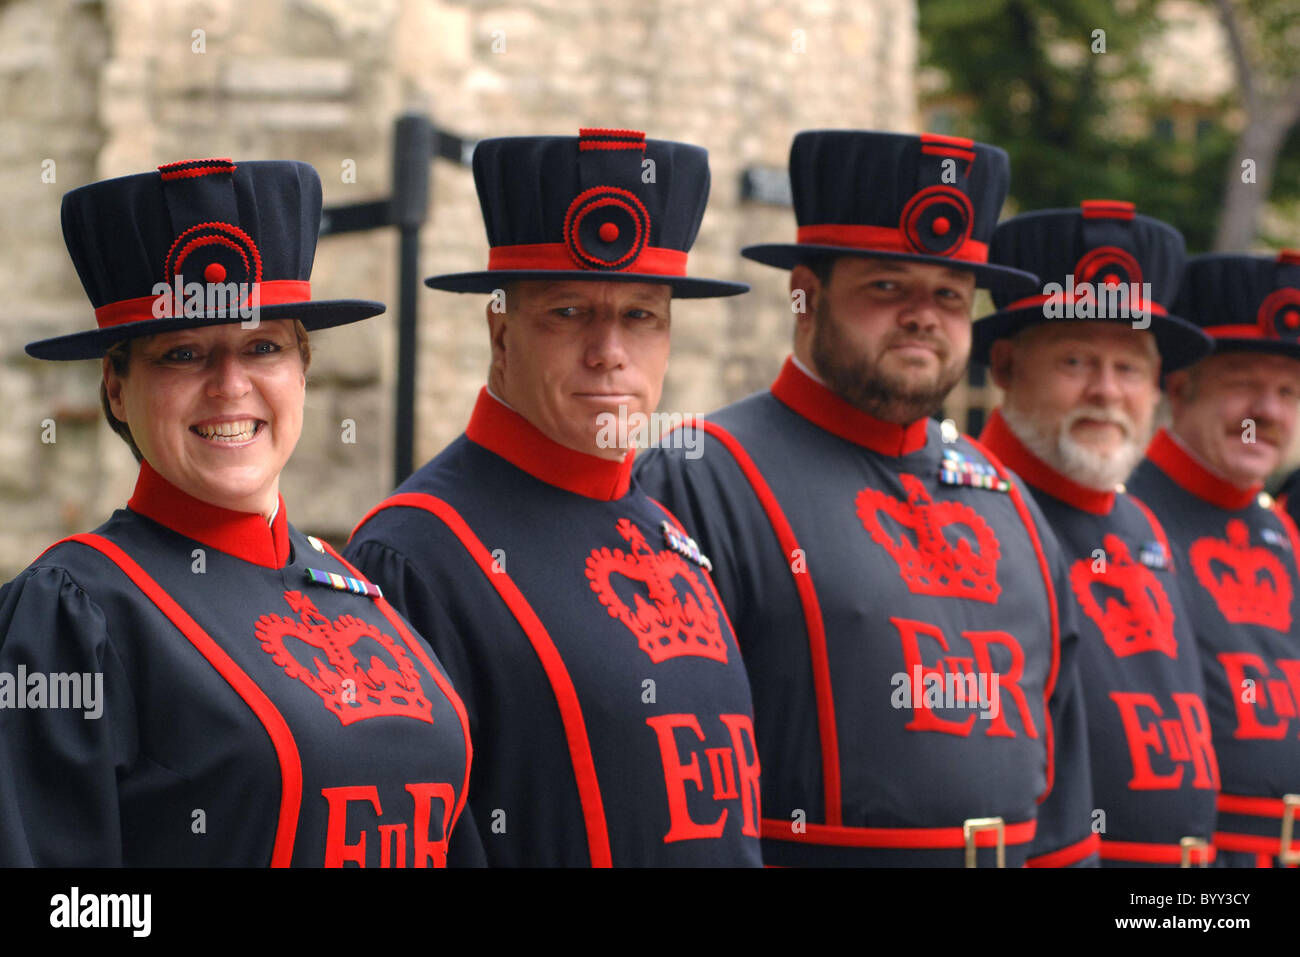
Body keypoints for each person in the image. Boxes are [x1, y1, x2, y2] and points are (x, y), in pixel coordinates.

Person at [636, 129, 1098, 867]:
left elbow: (1067, 800)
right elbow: (659, 773)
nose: (923, 314)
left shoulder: (1010, 500)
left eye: (949, 295)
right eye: (887, 286)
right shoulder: (699, 474)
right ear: (807, 297)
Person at [0, 158, 472, 867]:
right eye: (183, 352)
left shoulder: (360, 591)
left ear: (303, 368)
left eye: (263, 346)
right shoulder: (75, 615)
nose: (230, 385)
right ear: (118, 388)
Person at [345, 128, 762, 866]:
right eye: (569, 313)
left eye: (641, 315)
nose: (610, 350)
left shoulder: (670, 532)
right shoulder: (415, 552)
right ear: (501, 334)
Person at [972, 200, 1220, 866]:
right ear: (1004, 366)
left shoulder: (1139, 519)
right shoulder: (972, 517)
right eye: (1076, 360)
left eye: (1131, 368)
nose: (1107, 392)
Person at [1127, 249, 1300, 867]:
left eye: (1287, 390)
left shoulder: (1281, 532)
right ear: (1180, 388)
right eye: (1244, 385)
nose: (1269, 413)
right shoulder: (1125, 520)